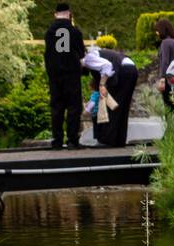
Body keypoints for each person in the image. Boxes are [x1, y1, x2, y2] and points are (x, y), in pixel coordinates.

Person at [44, 3, 86, 149]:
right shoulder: (75, 32)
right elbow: (81, 54)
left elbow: (47, 54)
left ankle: (57, 140)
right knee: (74, 107)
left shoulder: (49, 31)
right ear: (69, 14)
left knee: (57, 107)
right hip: (71, 74)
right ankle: (72, 140)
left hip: (55, 75)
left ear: (55, 14)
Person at [83, 45, 138, 147]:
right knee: (122, 107)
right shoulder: (96, 54)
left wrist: (102, 84)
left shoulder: (87, 59)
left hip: (123, 71)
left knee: (112, 107)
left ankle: (107, 140)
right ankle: (119, 140)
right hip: (131, 70)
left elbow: (107, 65)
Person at [154, 17, 174, 112]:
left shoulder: (165, 42)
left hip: (168, 80)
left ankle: (170, 126)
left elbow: (165, 61)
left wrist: (162, 79)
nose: (157, 33)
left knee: (168, 107)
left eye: (157, 30)